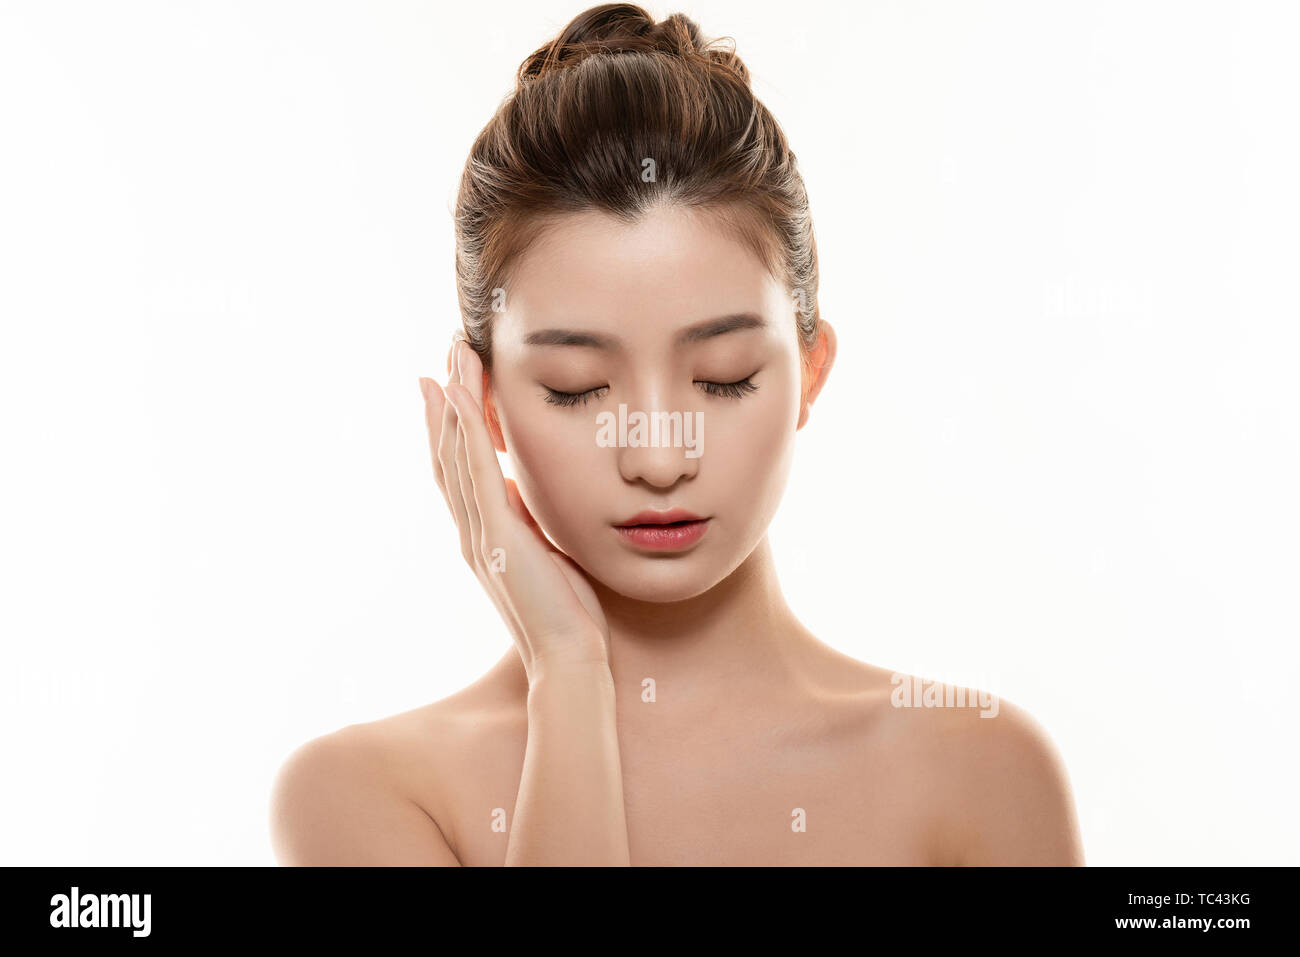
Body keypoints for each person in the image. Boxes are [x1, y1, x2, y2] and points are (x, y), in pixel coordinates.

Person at [270, 2, 1085, 866]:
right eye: (577, 389)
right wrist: (568, 670)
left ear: (811, 369)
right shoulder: (365, 795)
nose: (658, 456)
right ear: (487, 404)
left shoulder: (980, 773)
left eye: (725, 375)